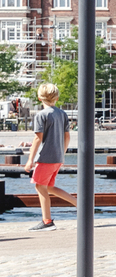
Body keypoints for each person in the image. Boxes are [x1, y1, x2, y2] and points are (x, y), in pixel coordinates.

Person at [26, 83, 75, 231]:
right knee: (48, 187)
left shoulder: (41, 115)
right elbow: (67, 137)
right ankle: (81, 205)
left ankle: (47, 221)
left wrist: (30, 160)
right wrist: (62, 152)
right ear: (57, 97)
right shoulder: (62, 114)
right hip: (58, 157)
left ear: (39, 97)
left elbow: (37, 139)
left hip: (46, 157)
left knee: (40, 186)